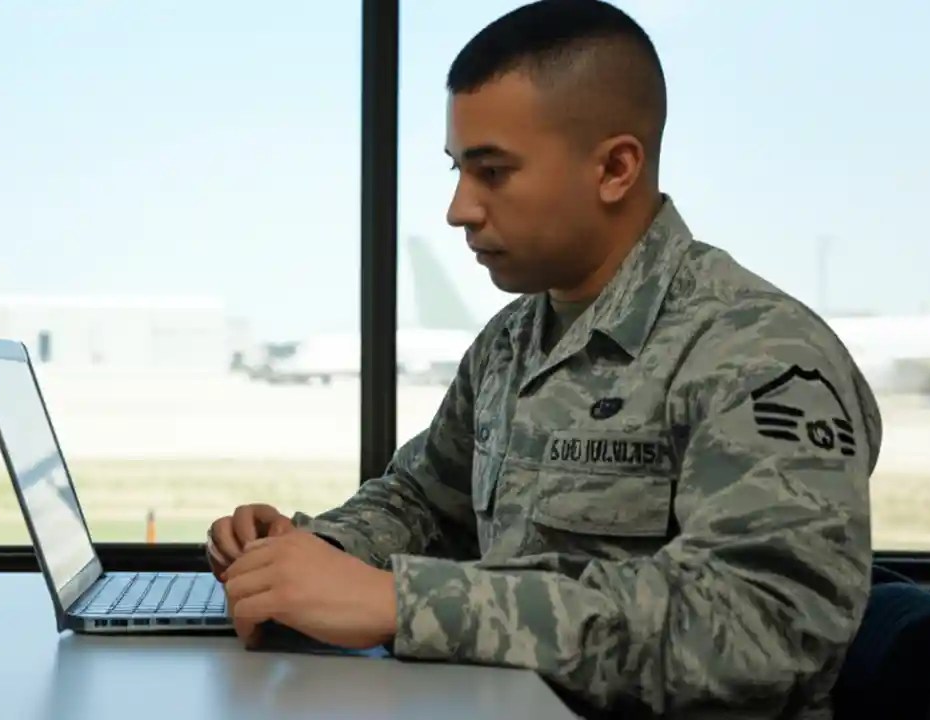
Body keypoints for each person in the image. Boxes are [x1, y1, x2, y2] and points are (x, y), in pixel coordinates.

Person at [206, 0, 882, 717]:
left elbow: (761, 631)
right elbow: (424, 502)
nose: (459, 209)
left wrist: (403, 602)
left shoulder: (755, 353)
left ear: (617, 168)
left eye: (492, 172)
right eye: (458, 169)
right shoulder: (512, 341)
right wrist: (308, 554)